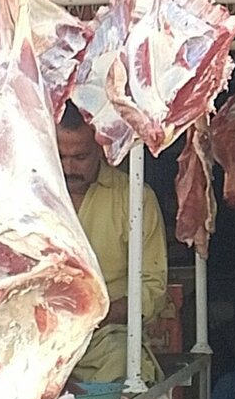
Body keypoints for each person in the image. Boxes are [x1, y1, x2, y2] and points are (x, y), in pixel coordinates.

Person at [56, 102, 168, 384]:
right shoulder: (32, 195)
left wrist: (99, 314)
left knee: (121, 357)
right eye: (61, 157)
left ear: (100, 148)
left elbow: (153, 288)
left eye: (80, 157)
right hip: (44, 337)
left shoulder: (134, 197)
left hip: (105, 339)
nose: (69, 167)